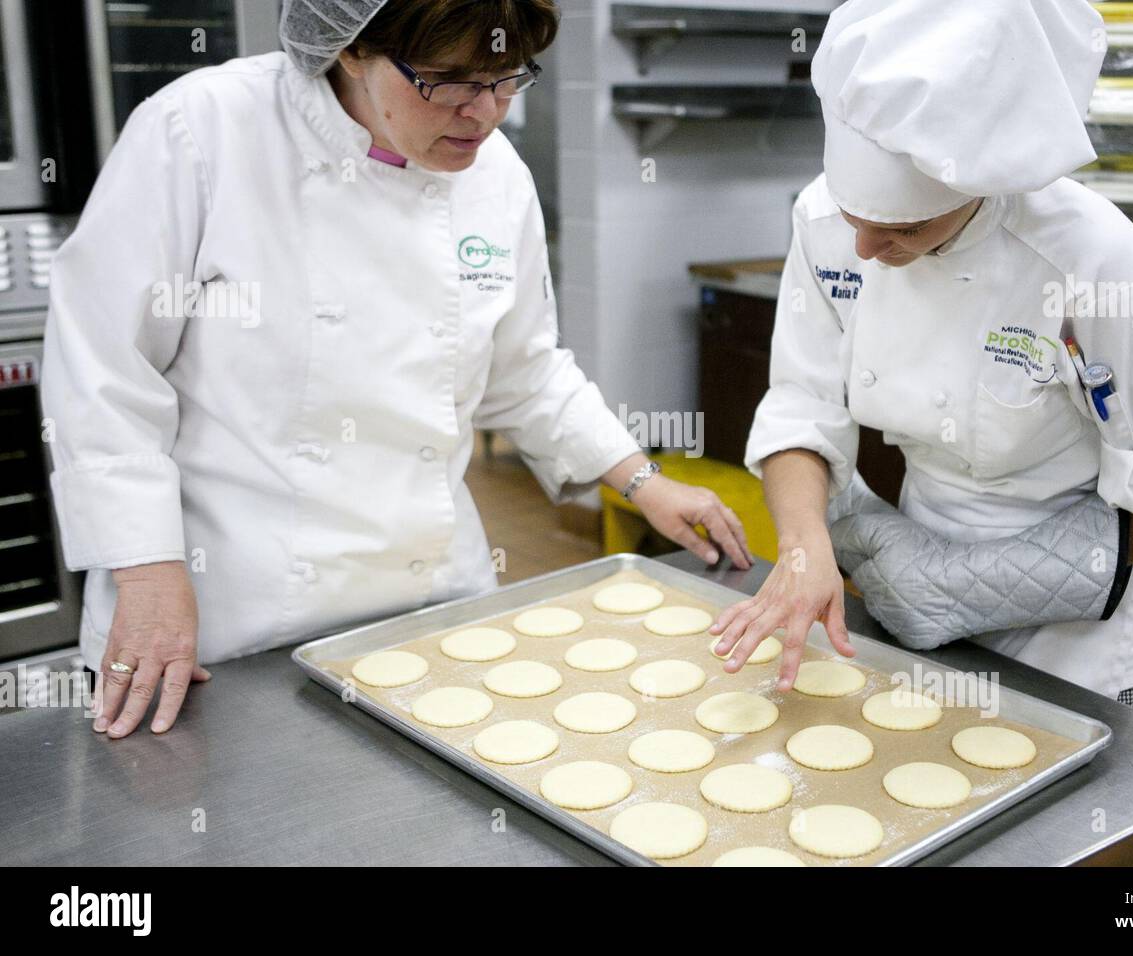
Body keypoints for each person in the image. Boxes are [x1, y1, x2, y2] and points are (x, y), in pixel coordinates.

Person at [42, 0, 750, 739]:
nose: (486, 113)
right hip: (228, 621)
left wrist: (641, 479)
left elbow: (528, 369)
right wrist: (146, 569)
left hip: (432, 611)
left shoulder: (495, 175)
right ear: (350, 49)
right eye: (448, 81)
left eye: (507, 79)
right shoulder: (203, 130)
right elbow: (104, 368)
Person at [710, 0, 1133, 716]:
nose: (865, 250)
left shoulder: (1109, 272)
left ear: (980, 183)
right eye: (855, 218)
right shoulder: (823, 222)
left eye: (902, 228)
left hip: (1080, 646)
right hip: (914, 598)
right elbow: (803, 405)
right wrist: (804, 547)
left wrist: (976, 583)